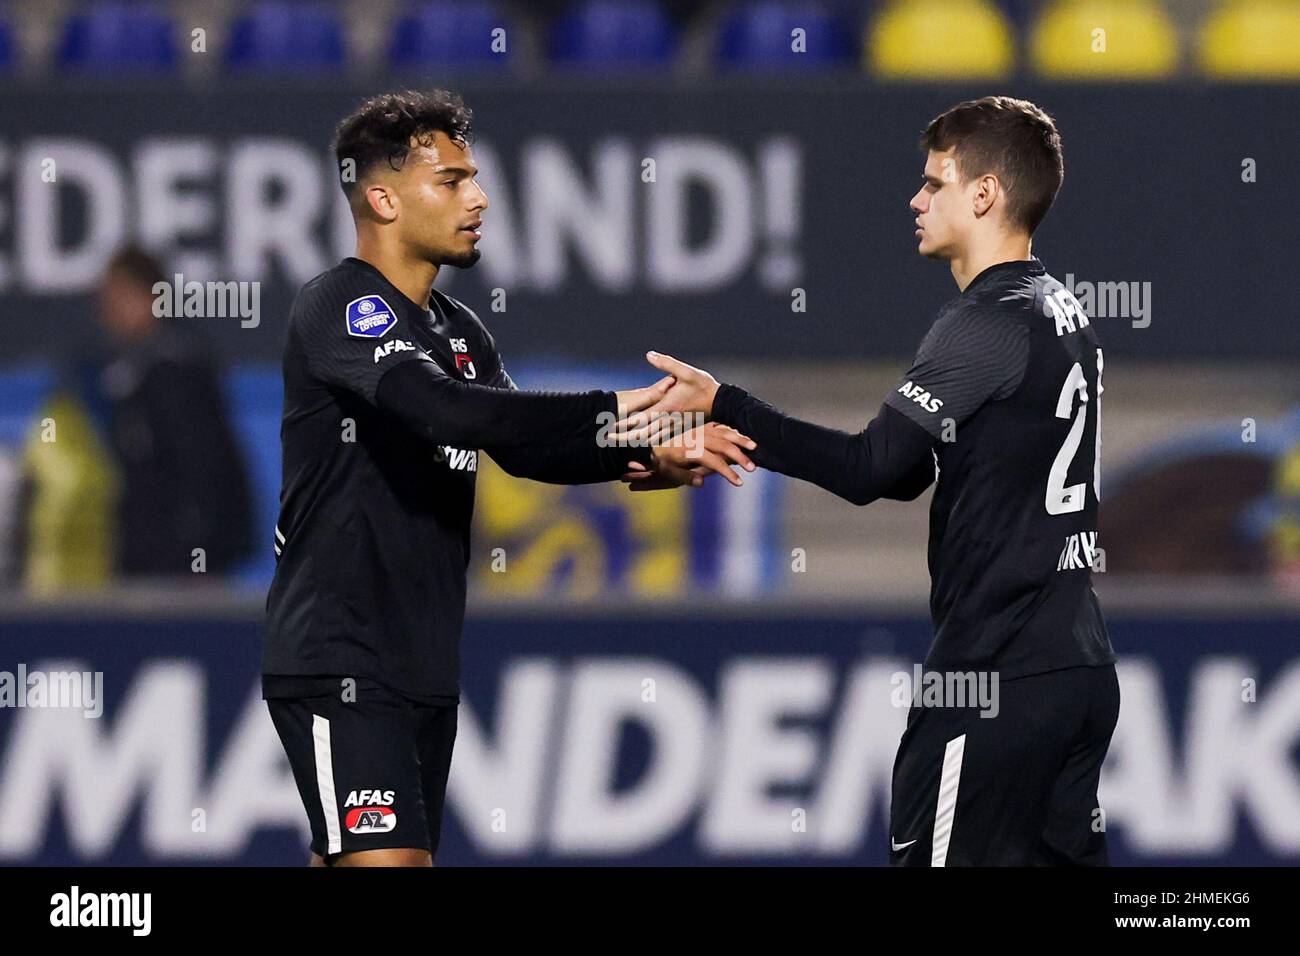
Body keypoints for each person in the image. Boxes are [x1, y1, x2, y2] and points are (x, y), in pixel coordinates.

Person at [262, 89, 756, 867]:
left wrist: (646, 455)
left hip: (423, 662)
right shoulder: (340, 305)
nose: (480, 198)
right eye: (453, 181)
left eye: (474, 178)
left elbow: (523, 445)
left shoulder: (459, 332)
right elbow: (451, 415)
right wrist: (629, 400)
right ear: (383, 197)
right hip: (341, 659)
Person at [634, 96, 1119, 866]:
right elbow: (908, 474)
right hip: (1080, 670)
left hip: (993, 676)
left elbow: (870, 470)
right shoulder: (1066, 311)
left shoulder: (981, 322)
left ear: (984, 194)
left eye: (935, 183)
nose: (916, 200)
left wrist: (725, 403)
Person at [97, 244, 255, 579]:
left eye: (116, 299)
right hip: (151, 563)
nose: (107, 313)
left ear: (147, 297)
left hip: (181, 567)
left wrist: (197, 554)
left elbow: (204, 468)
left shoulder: (176, 373)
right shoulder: (131, 372)